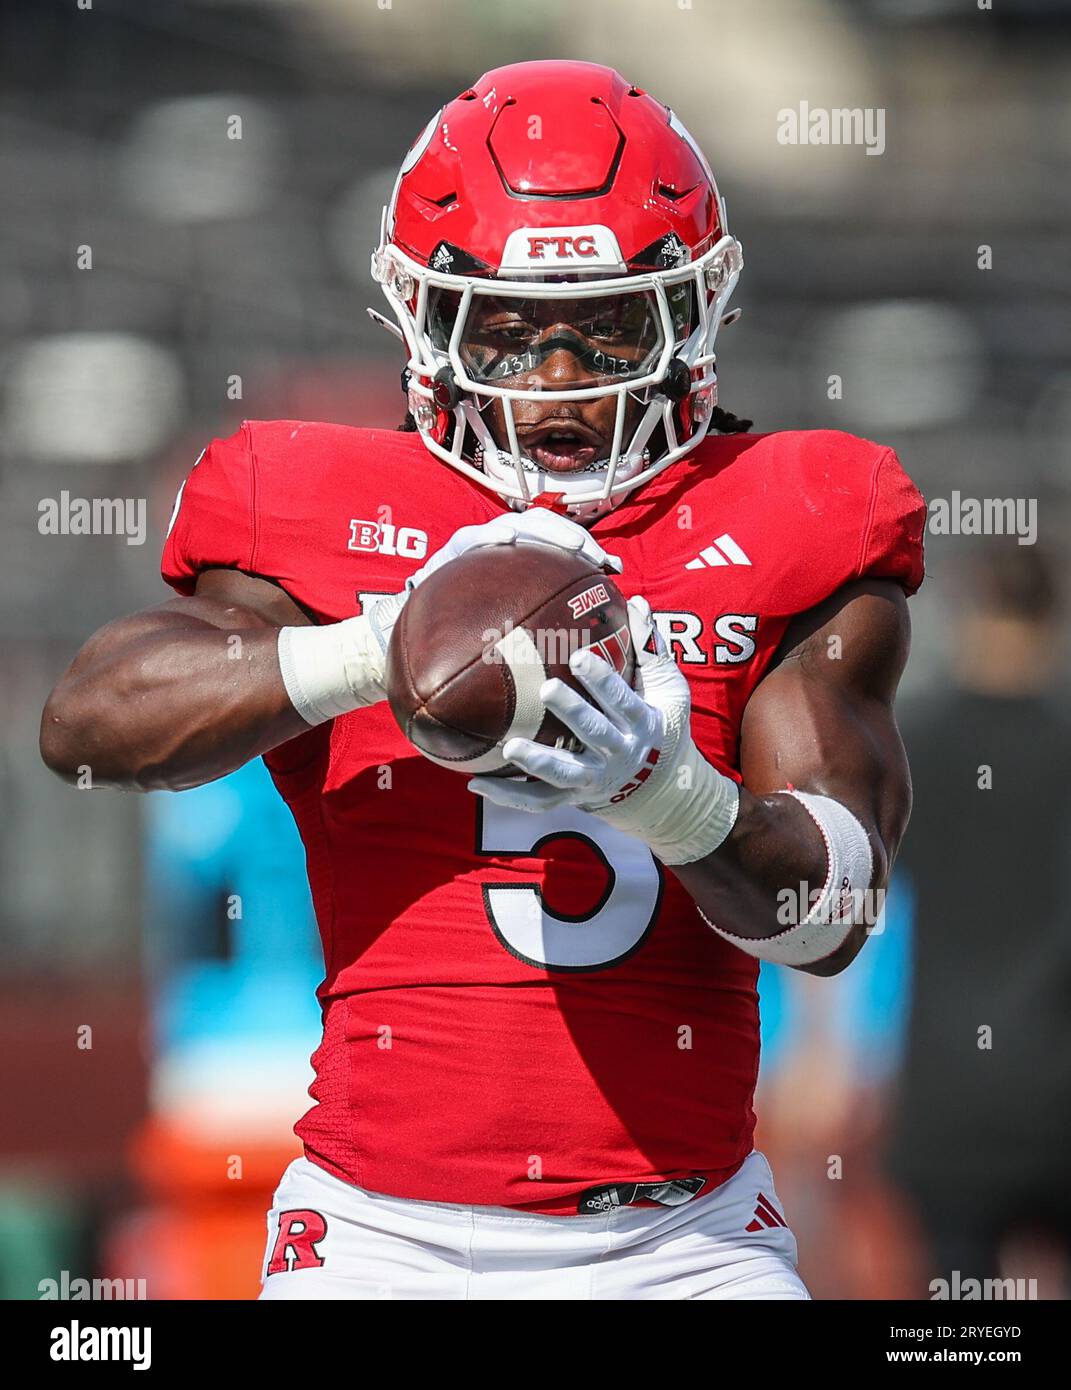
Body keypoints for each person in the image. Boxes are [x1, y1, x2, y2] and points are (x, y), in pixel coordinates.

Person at [40, 60, 925, 1300]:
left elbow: (836, 919)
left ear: (694, 312)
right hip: (378, 1233)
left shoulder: (789, 510)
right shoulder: (313, 506)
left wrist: (671, 795)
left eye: (608, 325)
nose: (559, 383)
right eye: (507, 331)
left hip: (684, 1244)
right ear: (425, 321)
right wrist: (371, 649)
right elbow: (85, 725)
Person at [888, 543, 1071, 1297]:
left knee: (962, 1326)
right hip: (1058, 1081)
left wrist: (824, 1058)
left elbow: (852, 910)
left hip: (945, 1090)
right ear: (1052, 615)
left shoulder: (913, 747)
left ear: (968, 613)